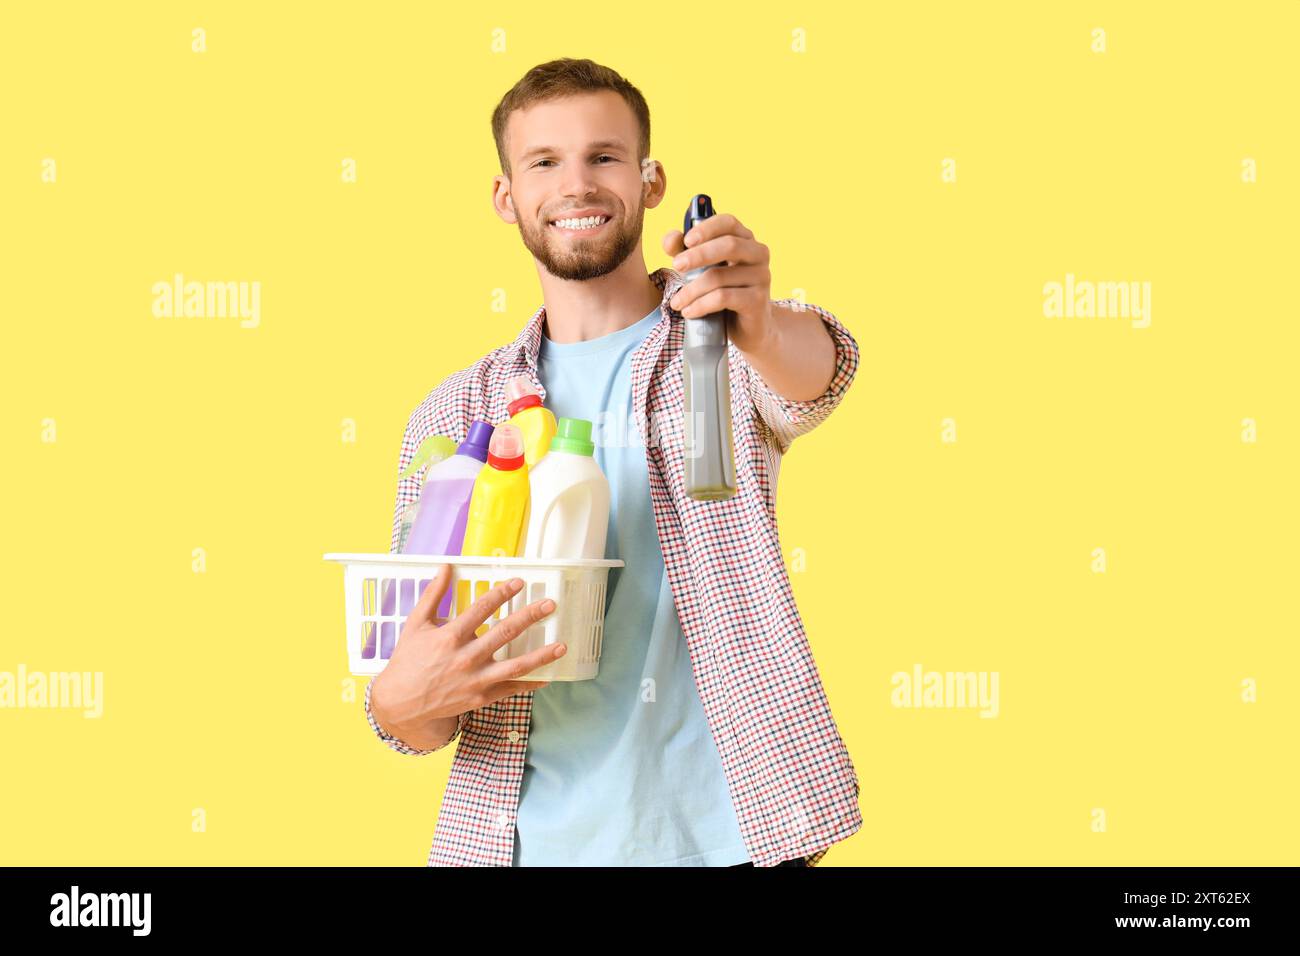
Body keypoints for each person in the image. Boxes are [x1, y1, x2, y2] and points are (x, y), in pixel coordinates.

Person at [368, 58, 862, 867]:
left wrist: (762, 323)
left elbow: (821, 374)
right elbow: (415, 696)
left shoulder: (724, 344)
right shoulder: (455, 417)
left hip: (735, 841)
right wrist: (395, 703)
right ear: (506, 197)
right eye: (545, 162)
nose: (578, 185)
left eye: (603, 156)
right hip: (525, 845)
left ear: (650, 179)